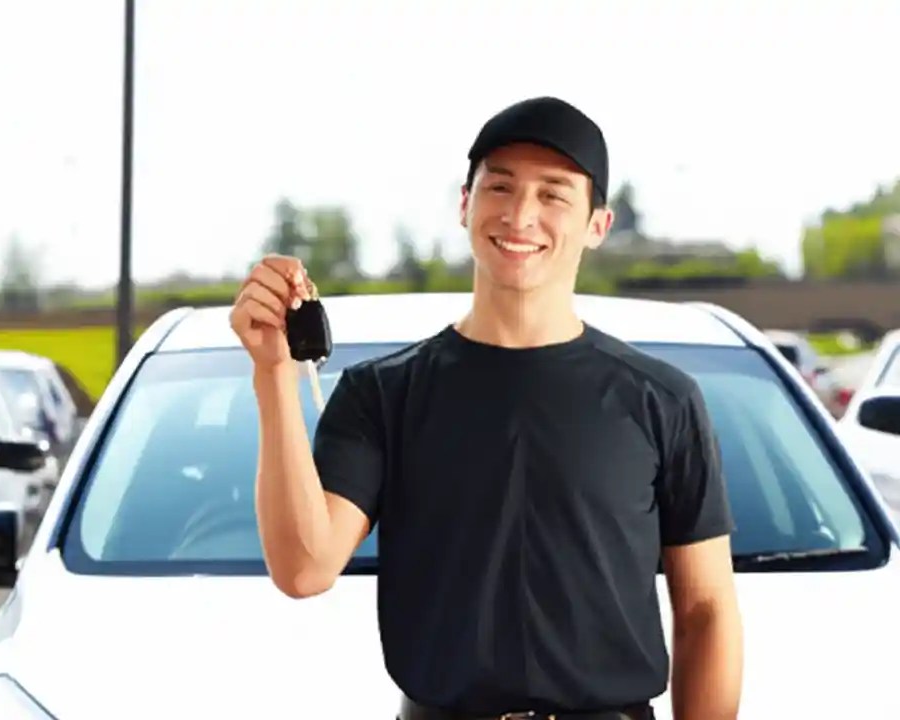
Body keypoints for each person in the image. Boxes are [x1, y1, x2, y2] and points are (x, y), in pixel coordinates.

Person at [229, 96, 743, 720]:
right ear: (466, 205)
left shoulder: (661, 399)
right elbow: (304, 568)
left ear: (596, 225)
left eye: (553, 194)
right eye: (500, 186)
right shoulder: (384, 395)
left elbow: (706, 611)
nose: (521, 214)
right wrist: (273, 373)